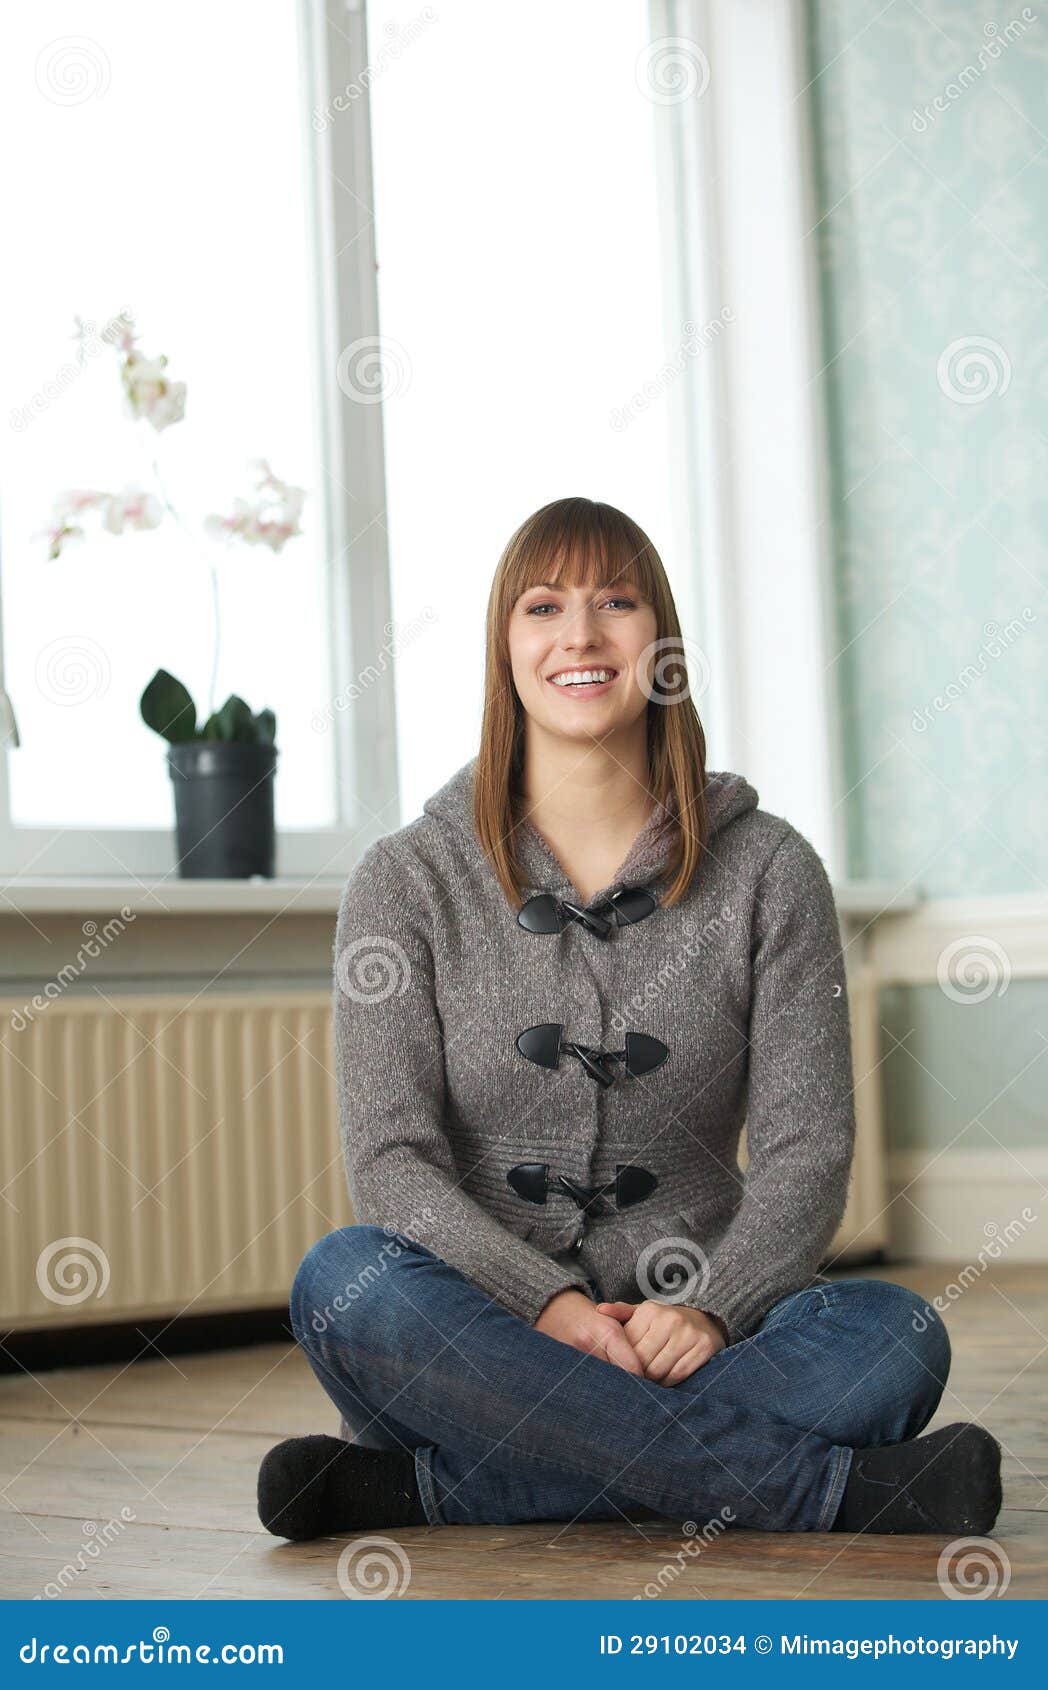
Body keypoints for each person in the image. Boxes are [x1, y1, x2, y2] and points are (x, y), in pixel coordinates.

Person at [258, 497, 1001, 1542]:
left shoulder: (771, 871)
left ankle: (424, 1493)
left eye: (616, 601)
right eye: (543, 606)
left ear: (661, 642)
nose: (580, 635)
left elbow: (808, 1150)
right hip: (476, 1326)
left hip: (699, 1330)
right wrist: (544, 1307)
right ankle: (820, 1491)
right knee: (342, 1279)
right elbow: (392, 1165)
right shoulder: (405, 880)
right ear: (502, 648)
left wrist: (712, 1305)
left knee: (891, 1334)